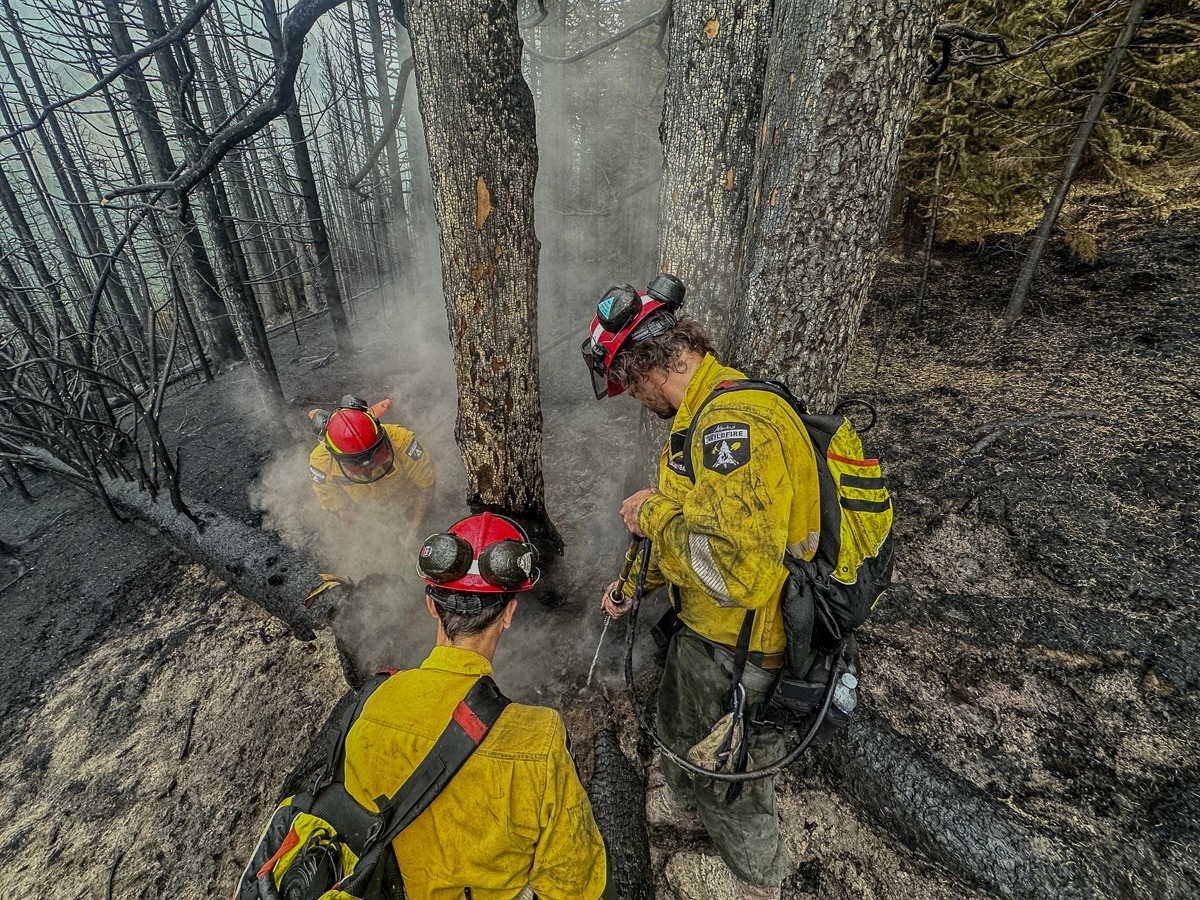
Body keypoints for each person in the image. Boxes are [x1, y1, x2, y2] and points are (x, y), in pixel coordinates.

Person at [583, 279, 821, 900]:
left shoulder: (733, 431)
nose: (634, 399)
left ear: (647, 367)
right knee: (676, 724)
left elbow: (738, 574)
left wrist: (651, 515)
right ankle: (683, 800)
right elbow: (695, 522)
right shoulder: (702, 417)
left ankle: (762, 880)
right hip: (704, 636)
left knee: (730, 783)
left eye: (629, 385)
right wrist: (636, 583)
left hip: (741, 648)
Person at [341, 512, 611, 900]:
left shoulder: (373, 705)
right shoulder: (540, 741)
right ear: (509, 614)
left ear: (432, 606)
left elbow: (361, 838)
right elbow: (575, 883)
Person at [308, 396, 435, 547]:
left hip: (412, 506)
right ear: (335, 454)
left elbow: (426, 486)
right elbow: (341, 510)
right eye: (359, 464)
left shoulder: (403, 441)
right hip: (369, 520)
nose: (369, 466)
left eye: (374, 456)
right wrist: (382, 530)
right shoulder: (321, 464)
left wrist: (414, 531)